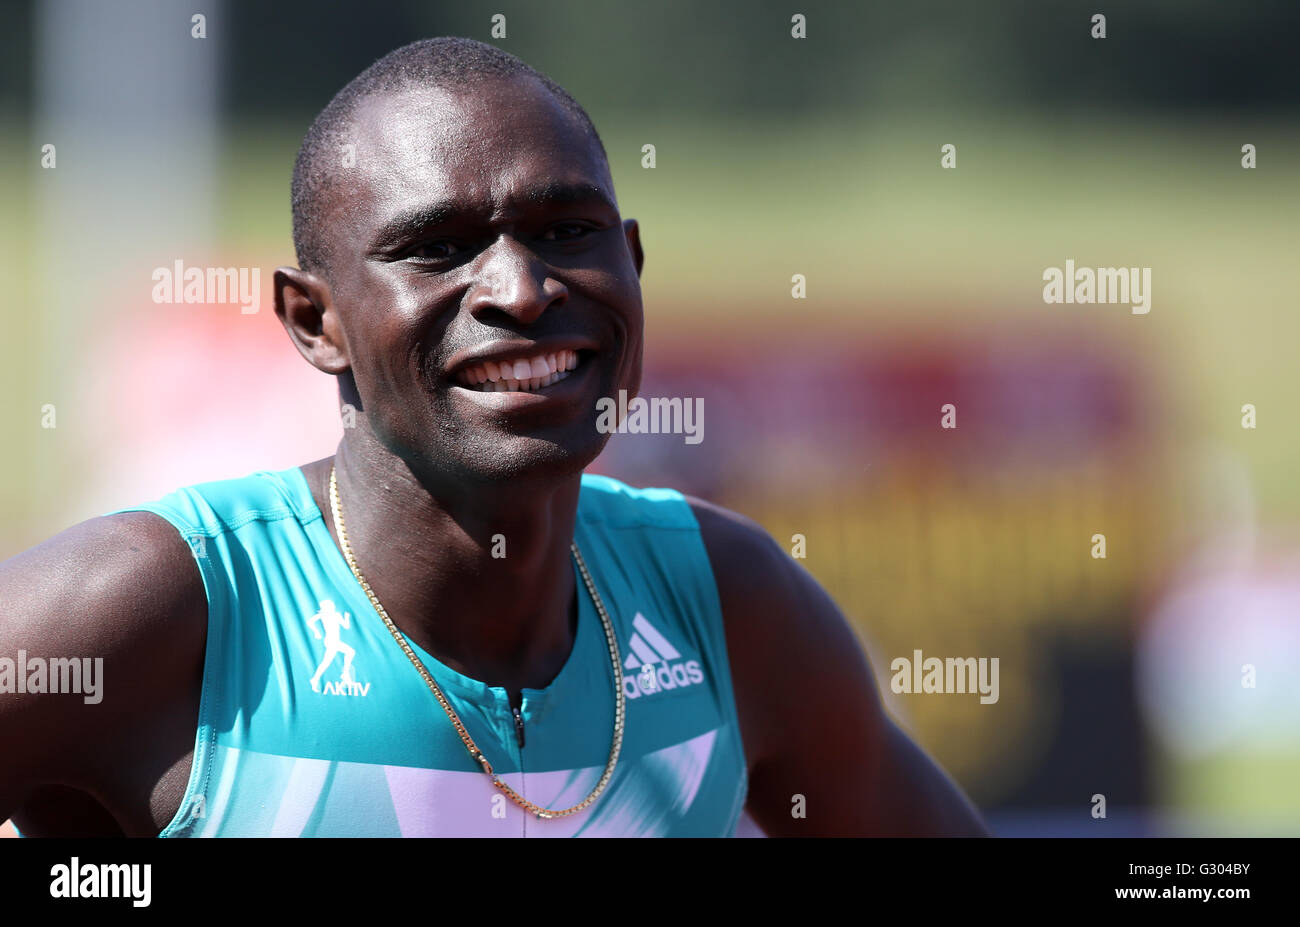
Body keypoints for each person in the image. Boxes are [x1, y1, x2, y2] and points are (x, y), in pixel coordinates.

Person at [0, 37, 987, 837]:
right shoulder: (158, 609)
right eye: (437, 249)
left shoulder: (725, 605)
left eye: (567, 232)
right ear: (314, 321)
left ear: (633, 263)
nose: (522, 291)